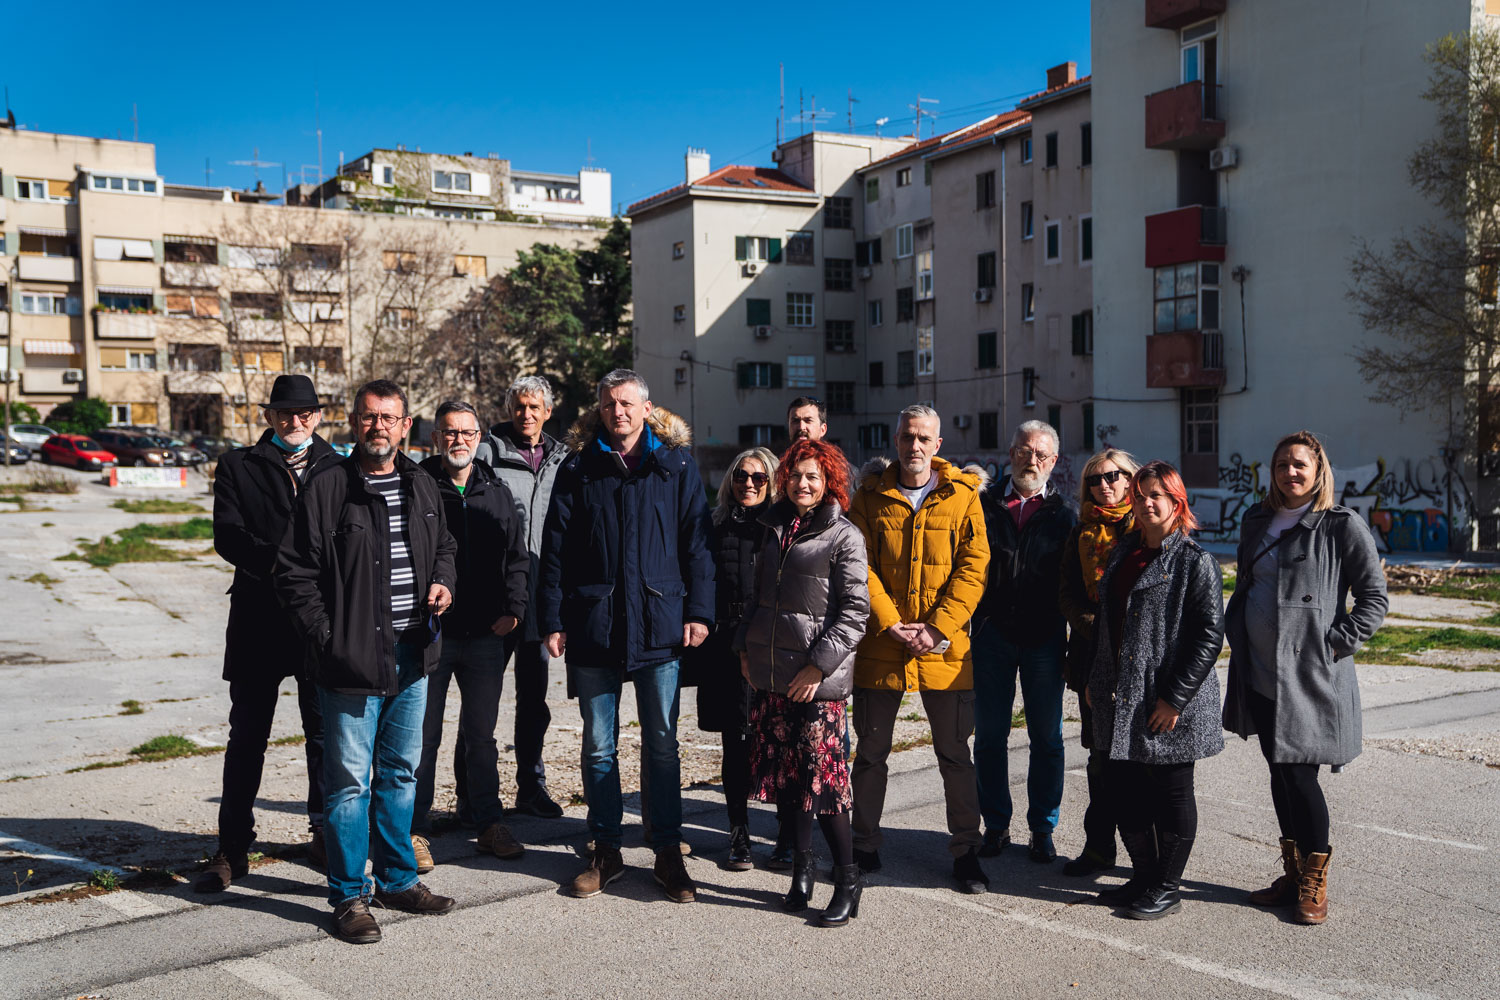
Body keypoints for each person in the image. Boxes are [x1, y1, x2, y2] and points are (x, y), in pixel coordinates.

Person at [275, 379, 458, 944]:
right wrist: (328, 639)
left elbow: (445, 548)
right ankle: (349, 896)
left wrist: (443, 583)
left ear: (407, 426)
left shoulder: (423, 483)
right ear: (354, 423)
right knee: (349, 784)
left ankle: (399, 879)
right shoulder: (328, 485)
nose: (379, 426)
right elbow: (294, 572)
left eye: (390, 418)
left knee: (401, 774)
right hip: (350, 661)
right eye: (369, 417)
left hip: (413, 653)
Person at [537, 369, 715, 903]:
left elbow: (698, 544)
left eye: (629, 403)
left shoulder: (675, 465)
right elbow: (556, 548)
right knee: (598, 746)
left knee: (662, 744)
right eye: (611, 403)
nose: (620, 411)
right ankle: (606, 849)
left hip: (661, 626)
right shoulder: (579, 467)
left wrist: (700, 612)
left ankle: (666, 851)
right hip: (595, 626)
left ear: (647, 407)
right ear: (600, 408)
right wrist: (552, 618)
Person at [1223, 431, 1387, 925]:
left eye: (1299, 465)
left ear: (1318, 471)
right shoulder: (1257, 519)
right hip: (1259, 671)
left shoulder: (1341, 526)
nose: (1290, 473)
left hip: (1310, 675)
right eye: (1281, 465)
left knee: (1299, 774)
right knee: (1278, 770)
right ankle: (1293, 874)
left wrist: (1333, 643)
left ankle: (1315, 879)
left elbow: (1374, 598)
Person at [197, 374, 338, 893]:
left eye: (304, 413)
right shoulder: (239, 464)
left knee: (325, 737)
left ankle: (325, 833)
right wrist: (288, 568)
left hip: (317, 624)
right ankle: (232, 848)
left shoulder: (338, 466)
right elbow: (229, 536)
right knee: (247, 738)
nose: (294, 422)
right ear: (269, 417)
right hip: (258, 621)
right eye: (284, 413)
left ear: (318, 415)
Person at [847, 404, 991, 894]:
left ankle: (966, 852)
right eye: (908, 436)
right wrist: (889, 623)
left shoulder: (964, 496)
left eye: (924, 438)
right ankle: (863, 846)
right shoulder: (869, 496)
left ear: (938, 445)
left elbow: (974, 568)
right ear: (896, 439)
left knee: (954, 753)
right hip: (881, 645)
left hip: (945, 650)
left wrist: (937, 628)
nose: (914, 446)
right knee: (870, 752)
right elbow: (858, 566)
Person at [735, 439, 870, 926]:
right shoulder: (772, 526)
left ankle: (848, 879)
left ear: (829, 480)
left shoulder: (843, 536)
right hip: (772, 675)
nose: (803, 484)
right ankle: (801, 871)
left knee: (825, 783)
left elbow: (855, 613)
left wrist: (818, 667)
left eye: (812, 476)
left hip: (816, 683)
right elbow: (758, 600)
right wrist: (745, 651)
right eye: (795, 475)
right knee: (791, 781)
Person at [1089, 461, 1224, 920]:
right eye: (1141, 494)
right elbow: (1108, 625)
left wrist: (1175, 699)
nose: (1147, 503)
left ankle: (1167, 886)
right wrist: (1096, 678)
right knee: (1125, 791)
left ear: (1176, 503)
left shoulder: (1195, 562)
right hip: (1120, 694)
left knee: (1171, 794)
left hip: (1167, 699)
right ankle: (1142, 877)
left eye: (1157, 496)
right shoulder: (1124, 552)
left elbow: (1209, 636)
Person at [413, 401, 531, 863]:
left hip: (485, 636)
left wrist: (515, 610)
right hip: (431, 633)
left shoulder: (498, 491)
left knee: (481, 735)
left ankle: (486, 821)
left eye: (466, 432)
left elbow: (518, 557)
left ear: (479, 437)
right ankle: (412, 829)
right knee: (423, 736)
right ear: (436, 436)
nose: (458, 440)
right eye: (449, 432)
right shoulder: (418, 484)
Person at [972, 420, 1078, 862]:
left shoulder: (1066, 514)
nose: (1030, 460)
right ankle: (996, 825)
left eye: (1040, 454)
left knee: (1047, 739)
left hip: (1044, 638)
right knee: (991, 737)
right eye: (1022, 451)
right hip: (993, 634)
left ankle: (1043, 828)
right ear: (1009, 452)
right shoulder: (982, 505)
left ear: (1053, 462)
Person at [471, 375, 569, 818]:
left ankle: (531, 789)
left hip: (540, 598)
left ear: (548, 412)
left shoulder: (562, 458)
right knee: (482, 701)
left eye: (535, 408)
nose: (526, 415)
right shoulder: (487, 452)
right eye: (519, 406)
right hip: (494, 595)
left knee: (534, 700)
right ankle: (476, 798)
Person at [684, 446, 779, 870]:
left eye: (759, 478)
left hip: (771, 646)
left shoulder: (782, 529)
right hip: (724, 647)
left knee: (778, 741)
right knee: (734, 743)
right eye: (741, 475)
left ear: (772, 482)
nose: (749, 484)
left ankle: (789, 836)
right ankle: (739, 835)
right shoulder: (713, 525)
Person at [1056, 448, 1141, 878]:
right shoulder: (1081, 532)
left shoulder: (1145, 527)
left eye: (1113, 476)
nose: (1104, 485)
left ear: (1131, 479)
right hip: (1092, 655)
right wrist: (1093, 624)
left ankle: (1151, 859)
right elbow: (1066, 592)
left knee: (1141, 760)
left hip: (1139, 656)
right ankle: (1099, 848)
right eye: (1094, 479)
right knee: (1100, 758)